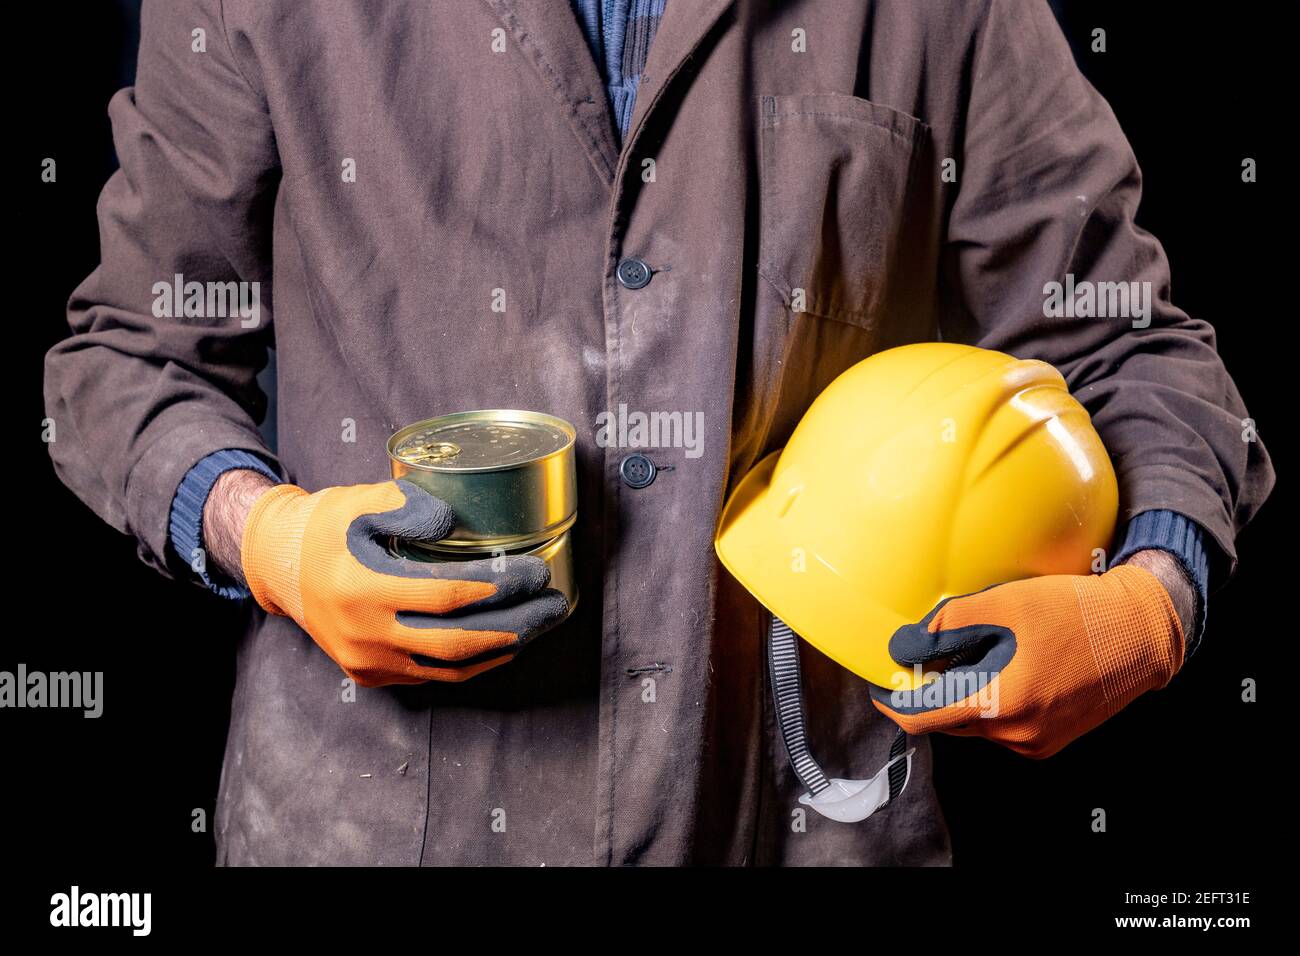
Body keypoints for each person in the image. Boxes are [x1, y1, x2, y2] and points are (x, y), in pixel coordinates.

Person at [44, 1, 1273, 865]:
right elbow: (122, 357)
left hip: (800, 821)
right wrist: (266, 535)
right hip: (365, 827)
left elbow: (1131, 350)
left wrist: (1152, 605)